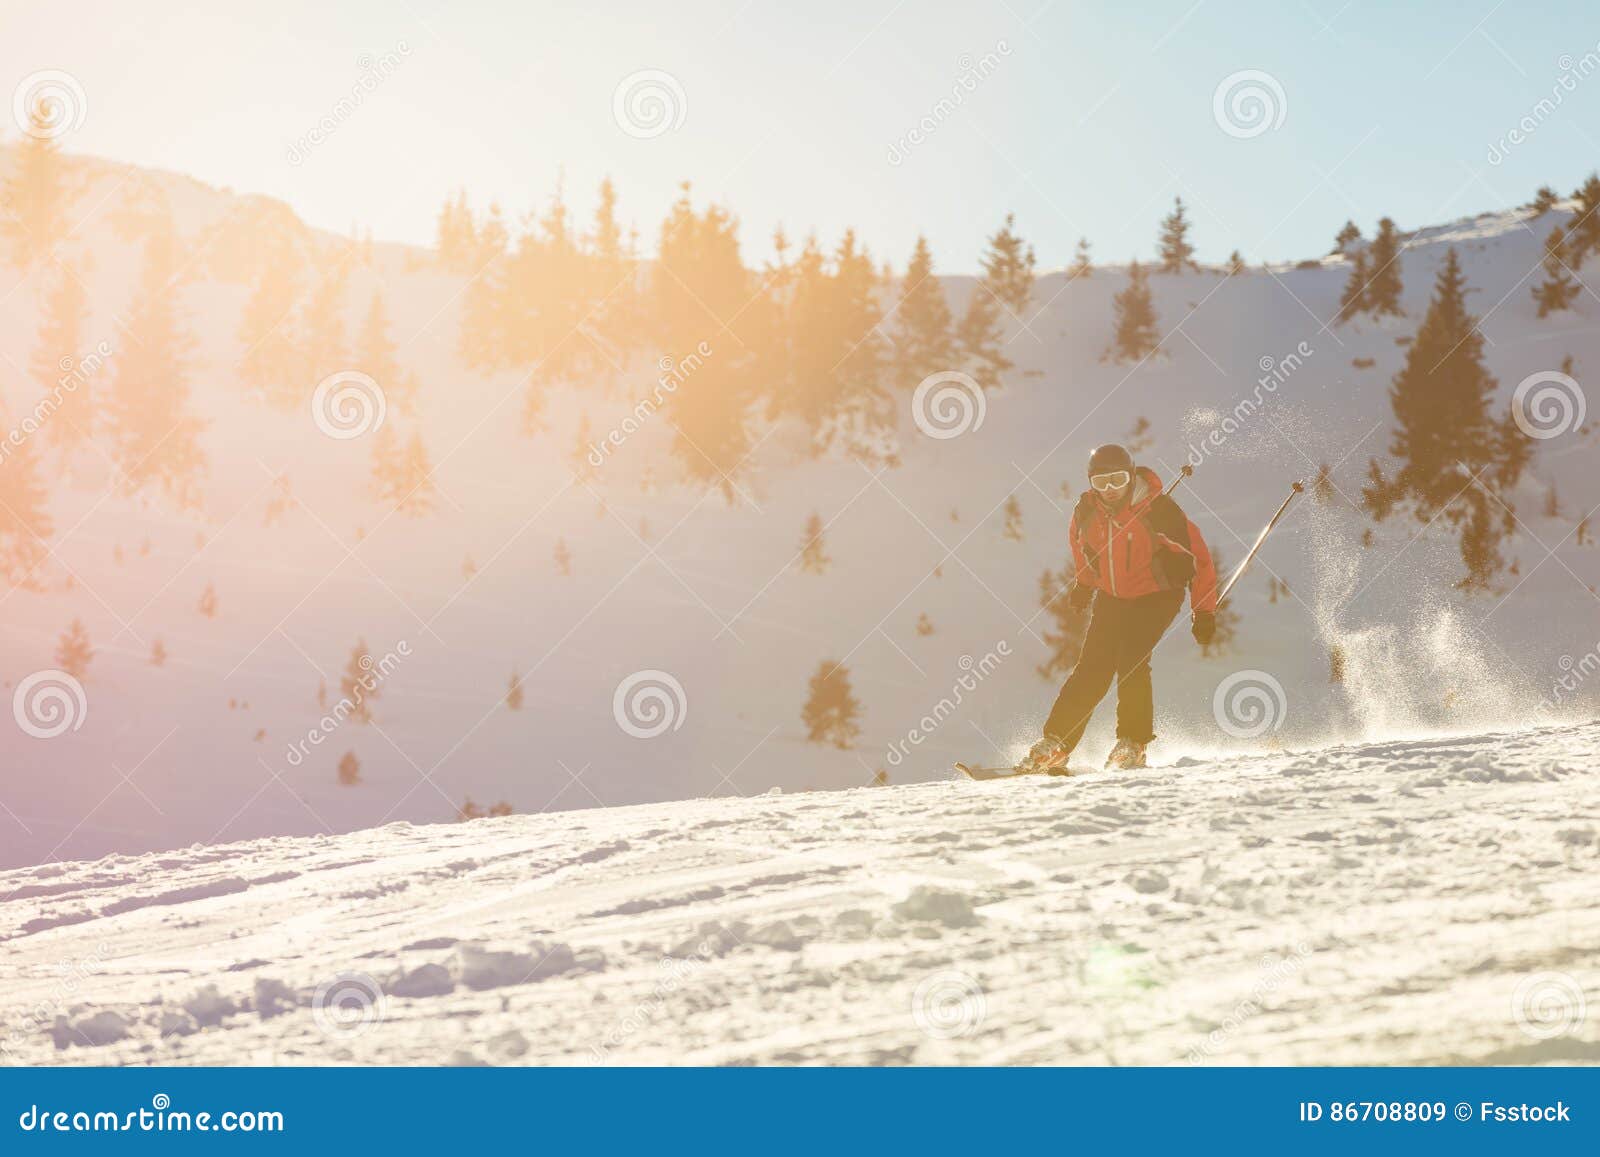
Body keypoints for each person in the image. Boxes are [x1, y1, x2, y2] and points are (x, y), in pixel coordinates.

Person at [1023, 443, 1218, 773]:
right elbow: (1083, 551)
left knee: (1132, 659)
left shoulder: (1160, 510)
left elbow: (1200, 559)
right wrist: (1084, 586)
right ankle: (1057, 743)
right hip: (1113, 596)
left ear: (1131, 476)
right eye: (1101, 482)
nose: (1110, 489)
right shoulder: (1086, 512)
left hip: (1157, 595)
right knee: (1092, 667)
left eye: (1118, 479)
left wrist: (1204, 611)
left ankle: (1132, 743)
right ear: (1091, 483)